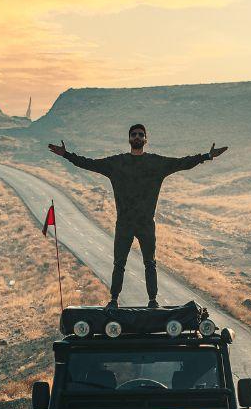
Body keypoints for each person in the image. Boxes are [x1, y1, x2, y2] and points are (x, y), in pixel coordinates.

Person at [48, 124, 227, 308]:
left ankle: (152, 301)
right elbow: (89, 163)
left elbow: (182, 163)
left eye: (141, 135)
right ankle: (114, 300)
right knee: (119, 263)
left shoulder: (157, 163)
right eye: (134, 134)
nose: (137, 137)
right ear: (129, 139)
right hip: (124, 224)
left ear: (145, 139)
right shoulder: (116, 164)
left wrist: (207, 156)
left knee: (150, 263)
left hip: (146, 224)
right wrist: (66, 155)